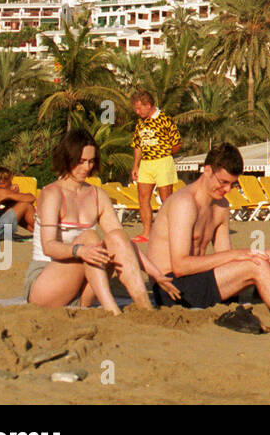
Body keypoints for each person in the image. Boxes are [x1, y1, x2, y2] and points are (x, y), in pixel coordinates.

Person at [147, 143, 270, 323]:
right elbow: (180, 266)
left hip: (199, 281)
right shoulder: (185, 203)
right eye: (223, 182)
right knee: (256, 266)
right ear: (207, 170)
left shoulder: (221, 206)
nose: (227, 190)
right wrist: (243, 255)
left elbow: (224, 256)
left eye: (233, 184)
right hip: (172, 288)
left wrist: (269, 256)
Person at [26, 129, 175, 313]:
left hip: (83, 292)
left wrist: (156, 274)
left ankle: (144, 307)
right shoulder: (52, 194)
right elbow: (49, 246)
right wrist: (79, 250)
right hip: (46, 284)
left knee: (116, 236)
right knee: (90, 237)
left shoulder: (97, 195)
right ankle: (112, 311)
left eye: (91, 161)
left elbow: (123, 243)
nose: (87, 167)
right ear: (67, 159)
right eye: (80, 162)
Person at [129, 89, 183, 244]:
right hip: (146, 163)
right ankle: (147, 232)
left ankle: (167, 232)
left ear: (148, 105)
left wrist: (165, 154)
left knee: (166, 199)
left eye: (139, 108)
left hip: (163, 162)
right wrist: (135, 165)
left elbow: (177, 143)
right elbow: (137, 145)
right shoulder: (140, 123)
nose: (137, 112)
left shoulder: (165, 119)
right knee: (142, 197)